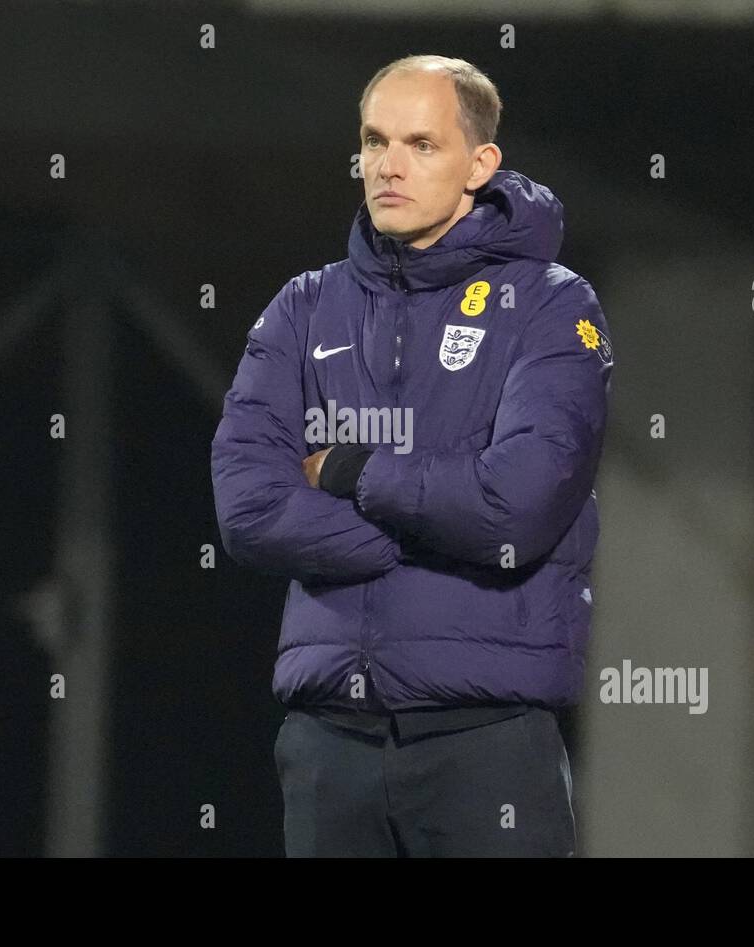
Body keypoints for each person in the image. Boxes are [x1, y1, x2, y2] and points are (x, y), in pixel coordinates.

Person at [211, 54, 613, 857]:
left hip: (488, 742)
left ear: (480, 163)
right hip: (327, 747)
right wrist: (425, 527)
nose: (388, 165)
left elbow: (515, 507)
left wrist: (353, 474)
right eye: (374, 140)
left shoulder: (549, 304)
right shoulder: (305, 304)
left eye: (422, 144)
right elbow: (249, 505)